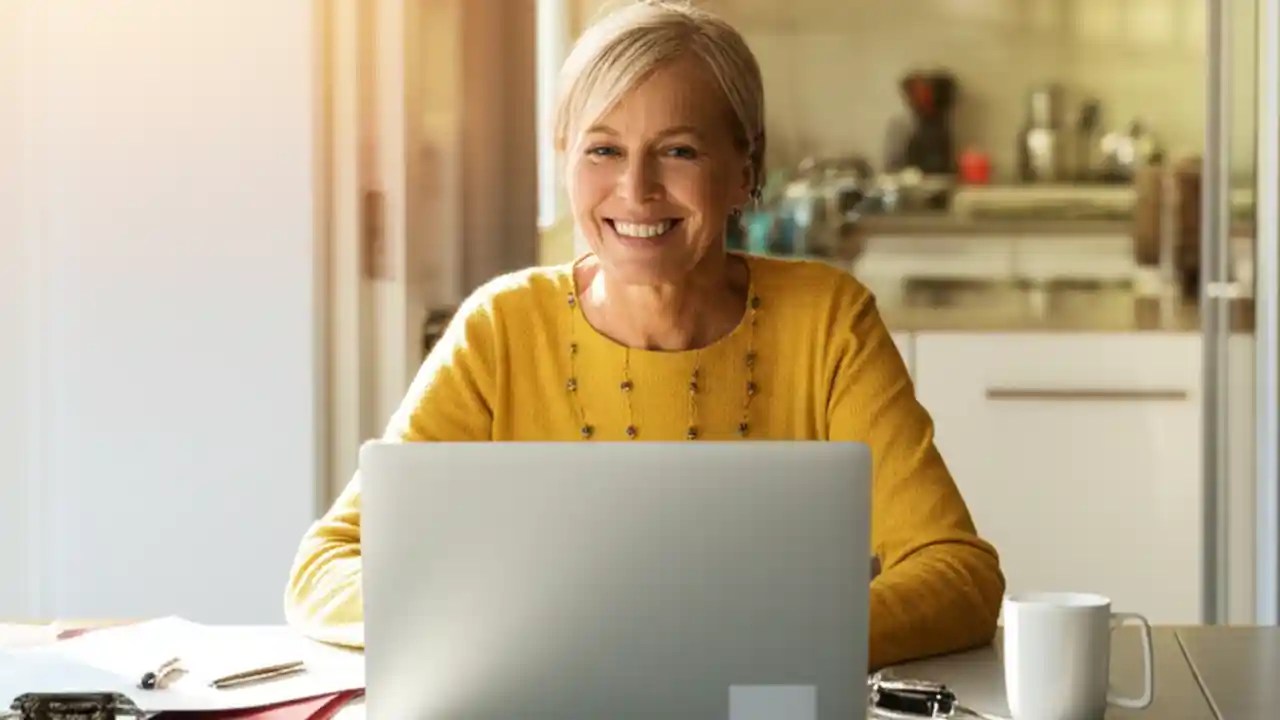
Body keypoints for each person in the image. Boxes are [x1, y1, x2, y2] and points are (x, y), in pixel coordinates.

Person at [284, 0, 1003, 671]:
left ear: (745, 169)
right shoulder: (500, 329)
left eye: (679, 151)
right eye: (602, 150)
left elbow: (958, 573)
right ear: (564, 159)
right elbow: (326, 570)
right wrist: (507, 630)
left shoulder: (827, 321)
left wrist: (782, 637)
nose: (635, 189)